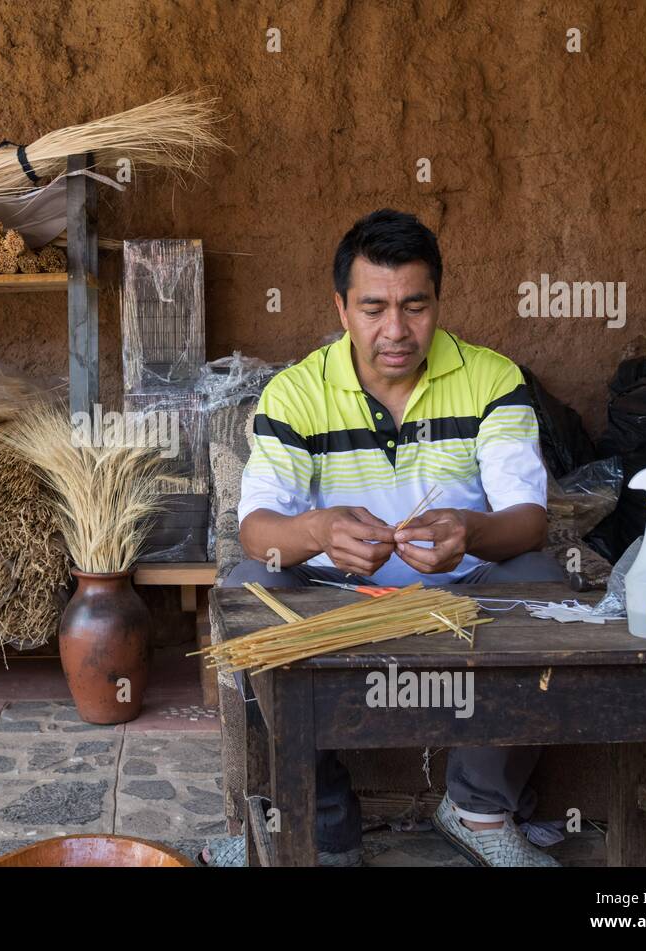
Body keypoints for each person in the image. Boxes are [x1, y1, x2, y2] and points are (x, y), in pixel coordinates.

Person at [225, 209, 564, 867]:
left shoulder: (493, 379)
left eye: (415, 306)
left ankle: (477, 807)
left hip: (464, 590)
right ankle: (325, 822)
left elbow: (529, 520)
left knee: (545, 580)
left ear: (438, 300)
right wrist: (319, 529)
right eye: (373, 308)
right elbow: (257, 534)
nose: (396, 331)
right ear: (342, 308)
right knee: (250, 588)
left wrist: (471, 532)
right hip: (337, 595)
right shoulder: (296, 394)